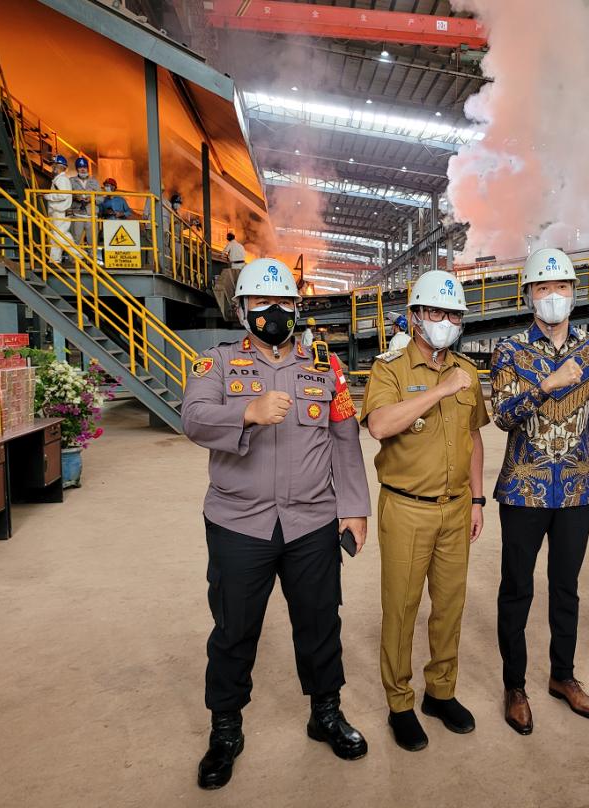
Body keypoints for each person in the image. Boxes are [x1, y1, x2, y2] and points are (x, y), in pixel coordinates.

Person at [181, 257, 372, 789]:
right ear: (242, 309)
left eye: (284, 303)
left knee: (319, 622)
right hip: (239, 522)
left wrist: (354, 508)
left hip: (312, 521)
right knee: (234, 628)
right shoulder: (215, 364)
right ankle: (225, 729)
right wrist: (246, 412)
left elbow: (344, 438)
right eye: (262, 303)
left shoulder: (322, 368)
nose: (274, 312)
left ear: (297, 307)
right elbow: (192, 418)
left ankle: (325, 712)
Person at [490, 247, 589, 735]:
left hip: (579, 491)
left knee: (567, 588)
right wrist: (546, 385)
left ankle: (562, 677)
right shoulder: (509, 351)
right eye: (542, 288)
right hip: (525, 489)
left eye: (561, 287)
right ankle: (515, 686)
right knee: (516, 590)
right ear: (528, 296)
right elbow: (502, 416)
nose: (553, 296)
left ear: (574, 294)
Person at [360, 270, 490, 752]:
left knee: (450, 607)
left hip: (456, 508)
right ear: (415, 316)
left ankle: (441, 692)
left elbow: (474, 436)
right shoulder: (389, 368)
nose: (445, 321)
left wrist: (477, 499)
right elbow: (379, 425)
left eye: (453, 314)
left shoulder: (468, 372)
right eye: (435, 312)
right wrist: (438, 390)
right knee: (401, 608)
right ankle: (399, 703)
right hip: (407, 508)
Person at [45, 155, 76, 264]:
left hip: (60, 213)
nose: (52, 168)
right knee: (57, 236)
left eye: (54, 165)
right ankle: (54, 260)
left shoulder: (62, 180)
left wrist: (47, 196)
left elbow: (63, 195)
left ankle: (79, 254)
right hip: (59, 212)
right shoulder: (59, 179)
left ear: (61, 167)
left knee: (60, 236)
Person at [69, 156, 103, 248]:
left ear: (87, 168)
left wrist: (92, 199)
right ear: (77, 169)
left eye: (84, 167)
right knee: (75, 241)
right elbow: (66, 196)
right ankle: (74, 261)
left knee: (92, 242)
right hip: (77, 215)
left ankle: (92, 260)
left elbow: (101, 198)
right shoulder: (71, 181)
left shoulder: (94, 182)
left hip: (91, 215)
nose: (83, 169)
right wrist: (74, 197)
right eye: (80, 167)